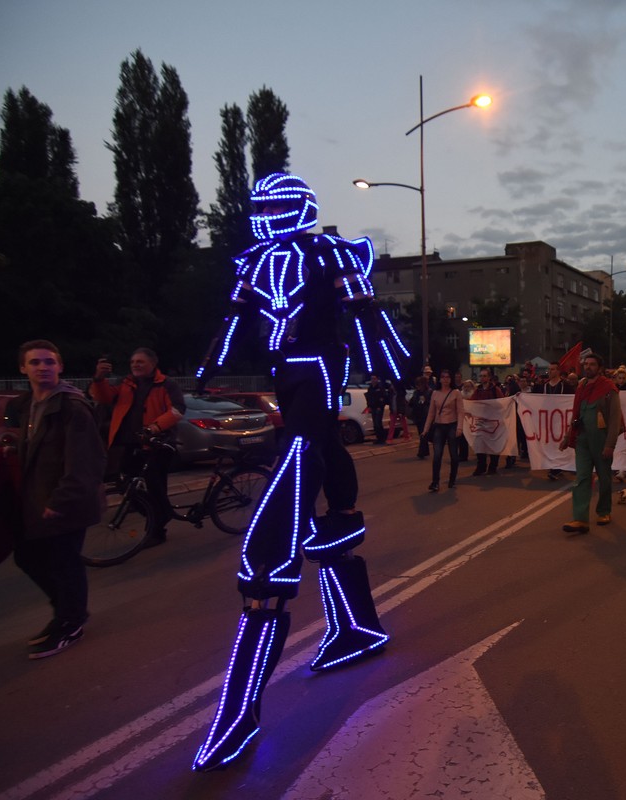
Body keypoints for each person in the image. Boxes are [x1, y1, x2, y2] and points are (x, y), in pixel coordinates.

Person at [191, 173, 402, 770]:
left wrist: (389, 363)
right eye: (261, 206)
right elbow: (235, 320)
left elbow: (363, 310)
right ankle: (354, 626)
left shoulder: (329, 252)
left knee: (304, 461)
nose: (266, 215)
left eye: (278, 205)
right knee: (310, 457)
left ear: (301, 209)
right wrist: (211, 364)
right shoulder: (254, 262)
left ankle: (239, 713)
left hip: (319, 365)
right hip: (287, 369)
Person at [5, 340, 106, 659]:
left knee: (64, 563)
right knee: (27, 556)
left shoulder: (71, 406)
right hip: (37, 499)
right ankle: (65, 612)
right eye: (35, 362)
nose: (42, 367)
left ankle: (71, 622)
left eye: (49, 362)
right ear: (23, 368)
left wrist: (61, 501)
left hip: (66, 501)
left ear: (60, 367)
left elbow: (86, 461)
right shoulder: (28, 404)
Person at [88, 347, 185, 547]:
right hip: (130, 443)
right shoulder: (126, 383)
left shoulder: (167, 384)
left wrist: (155, 428)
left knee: (155, 486)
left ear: (153, 363)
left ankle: (157, 529)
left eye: (140, 362)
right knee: (125, 483)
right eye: (133, 362)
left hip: (157, 444)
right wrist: (99, 379)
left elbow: (177, 410)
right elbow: (103, 398)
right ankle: (159, 512)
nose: (135, 365)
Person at [561, 354, 623, 534]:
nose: (588, 367)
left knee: (604, 477)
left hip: (601, 440)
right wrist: (567, 437)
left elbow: (615, 419)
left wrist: (610, 444)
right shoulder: (581, 386)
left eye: (592, 364)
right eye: (586, 364)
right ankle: (580, 519)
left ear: (600, 367)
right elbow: (575, 415)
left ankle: (604, 511)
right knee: (581, 478)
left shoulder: (609, 388)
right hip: (582, 440)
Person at [423, 369, 464, 492]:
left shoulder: (456, 393)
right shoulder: (435, 393)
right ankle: (435, 482)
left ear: (450, 379)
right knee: (437, 455)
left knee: (454, 455)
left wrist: (459, 427)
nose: (445, 379)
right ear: (440, 379)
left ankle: (452, 479)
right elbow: (431, 413)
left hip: (452, 425)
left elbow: (461, 412)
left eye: (447, 377)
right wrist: (425, 429)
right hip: (439, 426)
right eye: (443, 377)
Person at [534, 361, 573, 480]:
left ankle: (557, 466)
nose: (550, 371)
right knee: (550, 442)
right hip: (548, 420)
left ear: (558, 371)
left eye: (553, 369)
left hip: (561, 420)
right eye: (549, 369)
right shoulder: (544, 386)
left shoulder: (565, 385)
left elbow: (572, 400)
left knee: (560, 442)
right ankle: (553, 464)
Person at [470, 368, 504, 476]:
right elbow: (472, 402)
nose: (482, 378)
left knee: (493, 443)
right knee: (480, 443)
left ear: (489, 377)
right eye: (481, 376)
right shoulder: (478, 390)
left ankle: (493, 466)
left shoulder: (495, 390)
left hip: (492, 422)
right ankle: (481, 466)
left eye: (484, 376)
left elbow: (502, 403)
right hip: (481, 421)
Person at [410, 373, 433, 459]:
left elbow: (430, 403)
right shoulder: (416, 392)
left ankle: (422, 451)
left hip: (425, 415)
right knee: (421, 433)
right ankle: (424, 451)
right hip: (418, 415)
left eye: (419, 384)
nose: (418, 386)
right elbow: (413, 402)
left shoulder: (429, 392)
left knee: (424, 433)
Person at [364, 373, 389, 445]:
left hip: (379, 408)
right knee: (375, 424)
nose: (373, 380)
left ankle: (382, 439)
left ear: (377, 379)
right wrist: (369, 406)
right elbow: (368, 398)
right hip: (373, 407)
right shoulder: (370, 388)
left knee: (378, 423)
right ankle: (378, 438)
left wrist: (380, 406)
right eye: (372, 378)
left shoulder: (380, 388)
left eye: (374, 378)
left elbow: (383, 398)